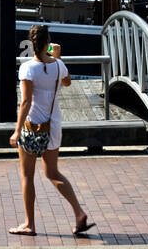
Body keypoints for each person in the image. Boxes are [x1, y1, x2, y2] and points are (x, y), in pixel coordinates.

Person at [8, 24, 93, 237]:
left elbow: (26, 102)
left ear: (31, 44)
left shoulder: (27, 68)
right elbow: (67, 82)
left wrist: (16, 130)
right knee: (52, 172)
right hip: (53, 125)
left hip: (31, 126)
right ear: (47, 43)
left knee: (27, 175)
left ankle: (29, 224)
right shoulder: (58, 65)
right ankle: (78, 211)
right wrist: (57, 57)